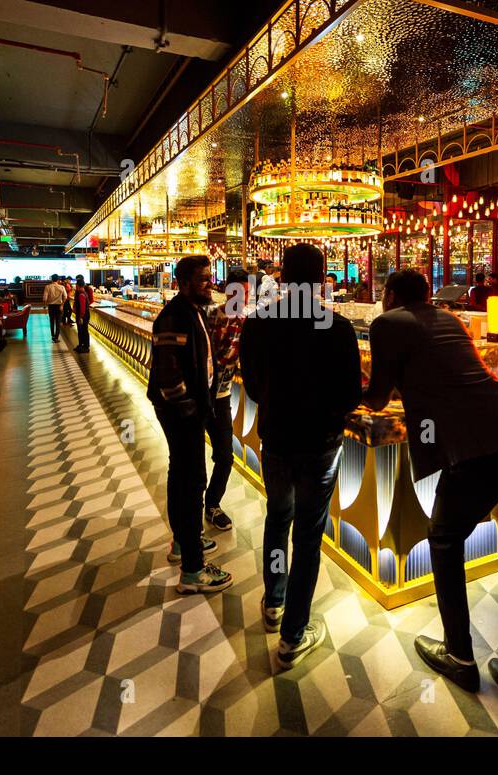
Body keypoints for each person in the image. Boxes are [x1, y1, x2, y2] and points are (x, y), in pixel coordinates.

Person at [363, 269, 498, 727]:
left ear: (390, 296)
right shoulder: (449, 320)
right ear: (429, 295)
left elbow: (376, 398)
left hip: (477, 454)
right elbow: (438, 374)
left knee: (445, 540)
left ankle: (460, 656)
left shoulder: (387, 322)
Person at [240, 244, 362, 670]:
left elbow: (252, 386)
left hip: (276, 438)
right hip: (320, 442)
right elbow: (351, 394)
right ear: (322, 276)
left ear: (282, 275)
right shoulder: (338, 326)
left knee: (278, 517)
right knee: (308, 536)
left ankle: (274, 601)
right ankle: (293, 634)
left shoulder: (257, 324)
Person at [147, 255, 233, 595]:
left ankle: (183, 543)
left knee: (180, 473)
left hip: (185, 410)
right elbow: (168, 375)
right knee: (192, 479)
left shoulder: (193, 311)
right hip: (180, 412)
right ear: (182, 283)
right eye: (201, 280)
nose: (209, 284)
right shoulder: (175, 316)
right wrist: (191, 410)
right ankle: (193, 571)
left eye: (209, 278)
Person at [204, 268, 249, 531]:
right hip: (197, 396)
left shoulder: (245, 321)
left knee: (225, 456)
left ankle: (212, 504)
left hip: (222, 397)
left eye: (246, 293)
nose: (242, 298)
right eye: (238, 292)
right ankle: (185, 522)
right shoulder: (210, 316)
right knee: (191, 459)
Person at [73, 274, 94, 352]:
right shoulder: (82, 292)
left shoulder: (82, 293)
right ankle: (81, 345)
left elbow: (83, 306)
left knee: (84, 330)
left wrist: (81, 316)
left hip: (83, 314)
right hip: (83, 313)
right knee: (81, 330)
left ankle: (85, 347)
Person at [42, 274, 65, 341]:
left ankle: (52, 335)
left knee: (51, 321)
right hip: (59, 306)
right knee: (58, 322)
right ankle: (56, 337)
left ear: (51, 279)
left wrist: (45, 306)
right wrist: (62, 305)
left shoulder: (47, 287)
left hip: (51, 306)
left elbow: (44, 298)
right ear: (58, 280)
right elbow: (65, 297)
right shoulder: (62, 287)